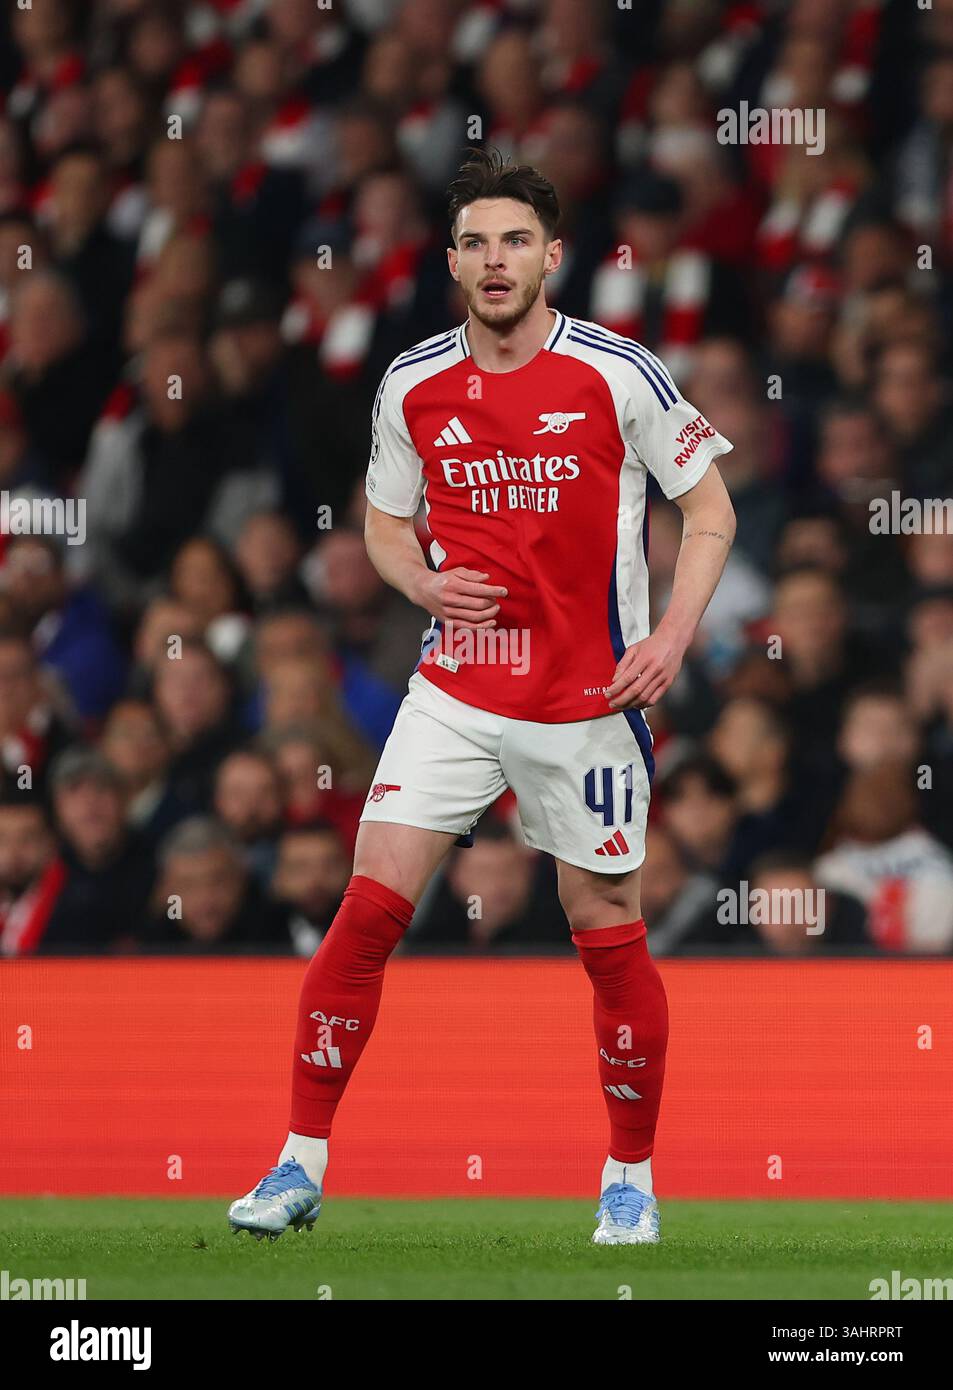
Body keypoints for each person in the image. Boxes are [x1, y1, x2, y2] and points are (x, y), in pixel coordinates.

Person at [228, 147, 736, 1247]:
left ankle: (629, 1180)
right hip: (456, 691)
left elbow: (711, 513)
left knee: (603, 927)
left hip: (589, 697)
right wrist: (417, 579)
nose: (494, 259)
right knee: (368, 908)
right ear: (449, 260)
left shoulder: (618, 373)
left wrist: (672, 638)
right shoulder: (410, 382)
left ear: (552, 256)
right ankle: (298, 1162)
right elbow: (380, 522)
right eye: (473, 241)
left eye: (514, 240)